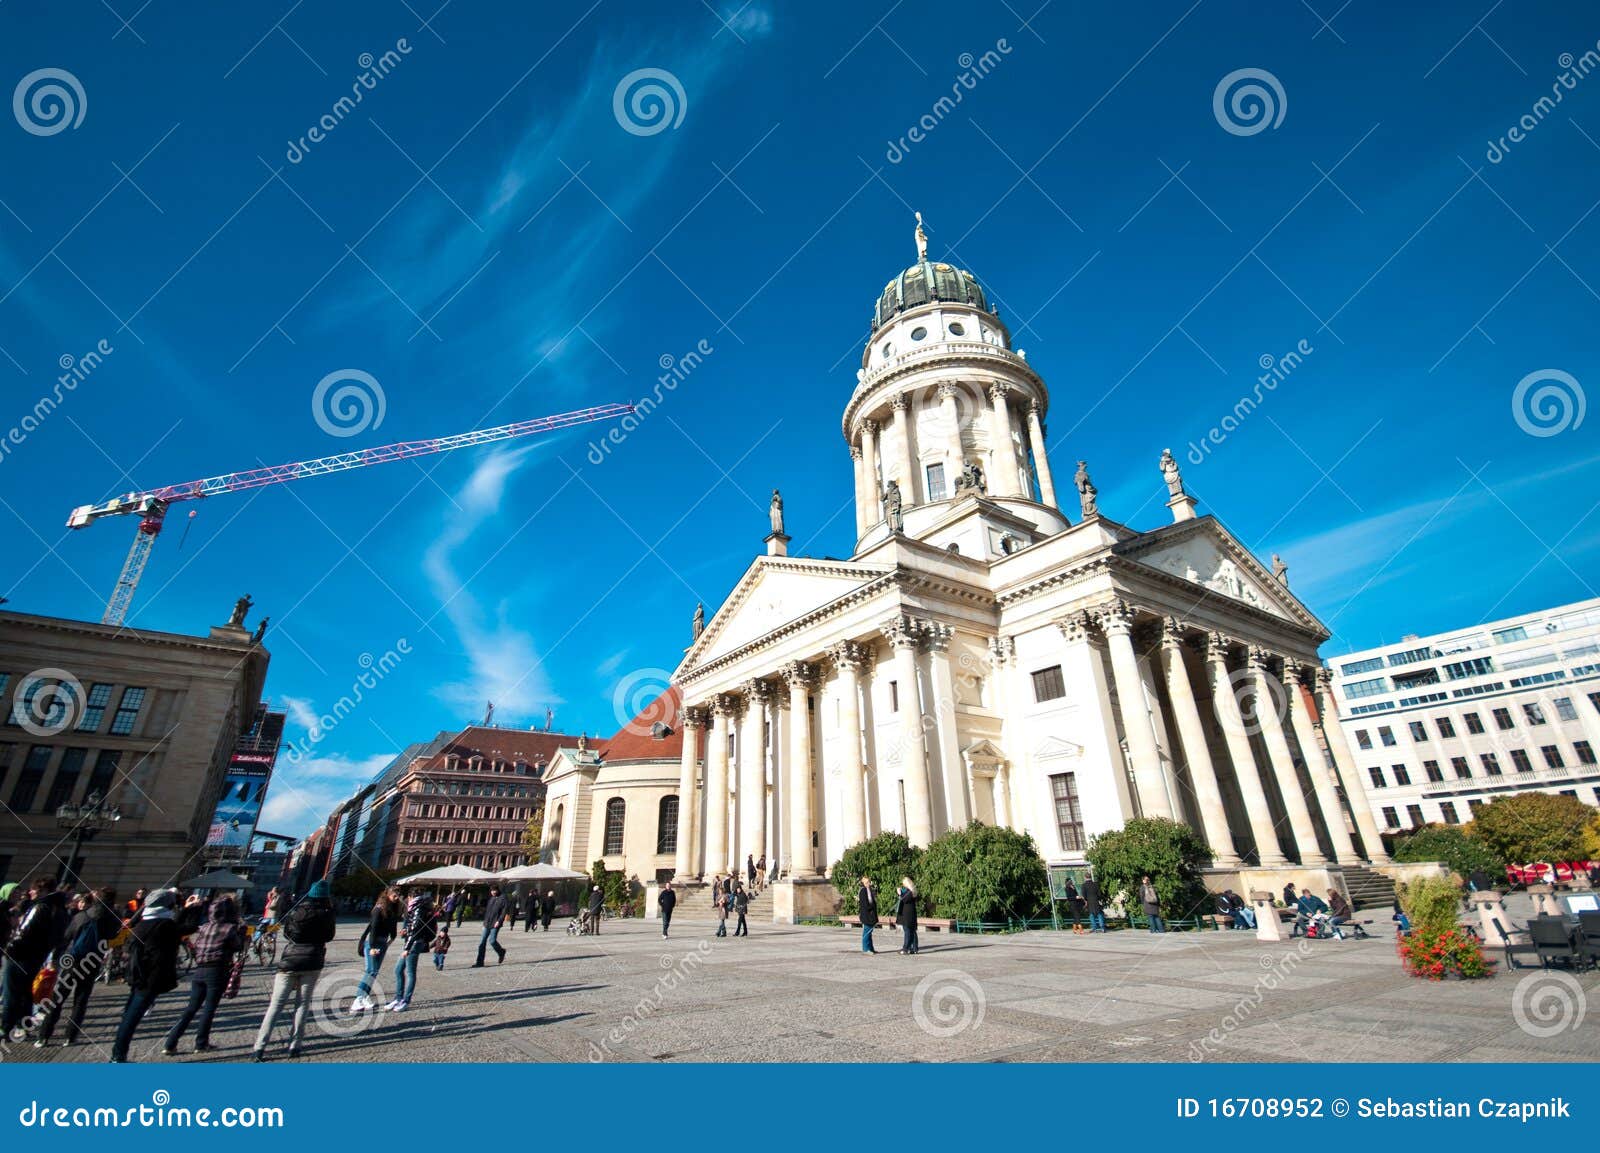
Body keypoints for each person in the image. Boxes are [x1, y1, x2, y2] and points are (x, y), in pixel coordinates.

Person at [252, 879, 336, 1061]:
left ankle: (259, 1047)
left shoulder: (297, 911)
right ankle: (295, 1046)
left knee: (276, 1005)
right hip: (312, 960)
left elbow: (287, 933)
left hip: (289, 961)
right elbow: (329, 936)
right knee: (302, 1005)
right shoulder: (327, 914)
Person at [35, 887, 120, 1047]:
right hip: (92, 961)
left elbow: (66, 938)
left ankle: (44, 1036)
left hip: (72, 960)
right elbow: (114, 940)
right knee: (81, 1000)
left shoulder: (81, 916)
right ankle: (70, 1037)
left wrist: (55, 959)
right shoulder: (113, 919)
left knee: (58, 997)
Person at [111, 888, 185, 1063]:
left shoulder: (143, 923)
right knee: (132, 1017)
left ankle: (118, 1054)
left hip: (137, 975)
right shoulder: (165, 925)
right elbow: (181, 930)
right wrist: (187, 910)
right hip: (150, 978)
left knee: (129, 1014)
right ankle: (117, 1056)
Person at [163, 895, 244, 1054]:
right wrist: (241, 932)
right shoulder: (229, 928)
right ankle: (201, 1043)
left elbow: (197, 947)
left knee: (191, 1008)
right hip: (218, 970)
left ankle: (170, 1043)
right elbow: (238, 946)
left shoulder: (204, 927)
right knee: (209, 1008)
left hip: (200, 970)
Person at [2, 874, 66, 1039]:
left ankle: (6, 1027)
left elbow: (23, 932)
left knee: (12, 992)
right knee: (25, 991)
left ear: (42, 890)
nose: (30, 892)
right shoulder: (59, 909)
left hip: (21, 955)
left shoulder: (40, 907)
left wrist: (9, 948)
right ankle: (24, 1025)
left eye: (33, 889)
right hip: (37, 956)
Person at [351, 889, 401, 1012]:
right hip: (373, 942)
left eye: (398, 895)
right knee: (371, 970)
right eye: (395, 895)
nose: (397, 898)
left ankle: (364, 997)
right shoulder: (378, 909)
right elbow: (373, 928)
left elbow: (393, 927)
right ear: (388, 895)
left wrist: (391, 940)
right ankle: (358, 998)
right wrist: (372, 947)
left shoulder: (393, 910)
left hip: (383, 942)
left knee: (374, 971)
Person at [473, 885, 509, 967]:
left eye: (494, 890)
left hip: (495, 923)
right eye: (491, 891)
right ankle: (480, 962)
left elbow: (504, 911)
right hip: (487, 923)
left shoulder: (503, 898)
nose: (493, 892)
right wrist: (484, 923)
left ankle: (501, 952)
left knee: (492, 941)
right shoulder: (491, 898)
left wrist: (499, 921)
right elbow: (488, 911)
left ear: (497, 890)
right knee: (482, 942)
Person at [895, 877, 919, 954]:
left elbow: (905, 899)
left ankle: (905, 949)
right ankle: (914, 948)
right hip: (909, 913)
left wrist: (900, 893)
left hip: (907, 914)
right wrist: (900, 894)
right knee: (912, 931)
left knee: (908, 931)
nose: (903, 885)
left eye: (903, 884)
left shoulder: (909, 892)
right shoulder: (911, 891)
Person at [857, 875, 879, 953]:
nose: (869, 883)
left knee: (869, 932)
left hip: (871, 915)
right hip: (866, 916)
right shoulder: (863, 891)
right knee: (867, 932)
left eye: (869, 882)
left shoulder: (869, 890)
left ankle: (870, 948)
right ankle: (866, 949)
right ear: (863, 883)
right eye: (866, 882)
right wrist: (872, 906)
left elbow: (872, 902)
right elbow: (865, 905)